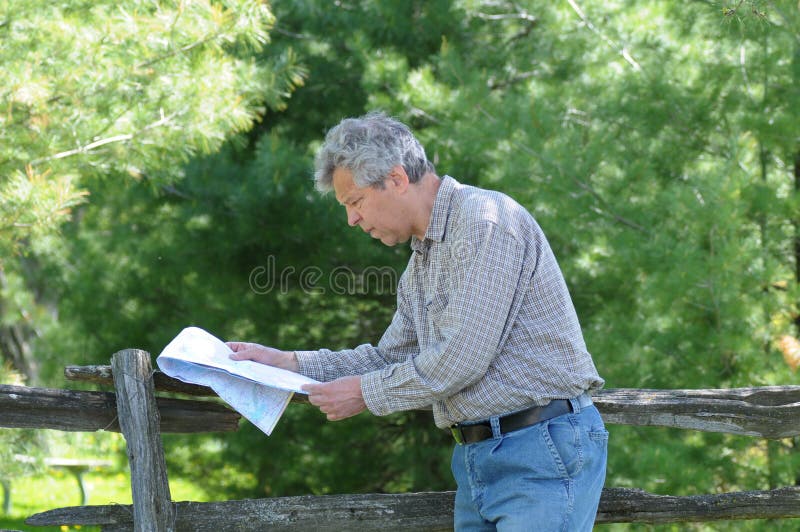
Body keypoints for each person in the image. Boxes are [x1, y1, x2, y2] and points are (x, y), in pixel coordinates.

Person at [227, 112, 608, 531]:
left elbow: (462, 358)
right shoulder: (422, 262)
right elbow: (388, 357)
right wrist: (290, 363)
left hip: (539, 448)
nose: (351, 219)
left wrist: (365, 394)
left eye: (355, 202)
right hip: (478, 456)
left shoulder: (485, 221)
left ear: (395, 178)